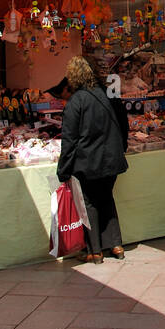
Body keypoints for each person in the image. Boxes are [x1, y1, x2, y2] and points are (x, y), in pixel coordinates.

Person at [57, 56, 128, 263]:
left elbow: (69, 140)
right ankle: (116, 246)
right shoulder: (109, 96)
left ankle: (95, 251)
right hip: (112, 158)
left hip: (89, 161)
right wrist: (121, 147)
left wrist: (63, 170)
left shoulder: (76, 102)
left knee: (90, 203)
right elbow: (124, 124)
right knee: (107, 197)